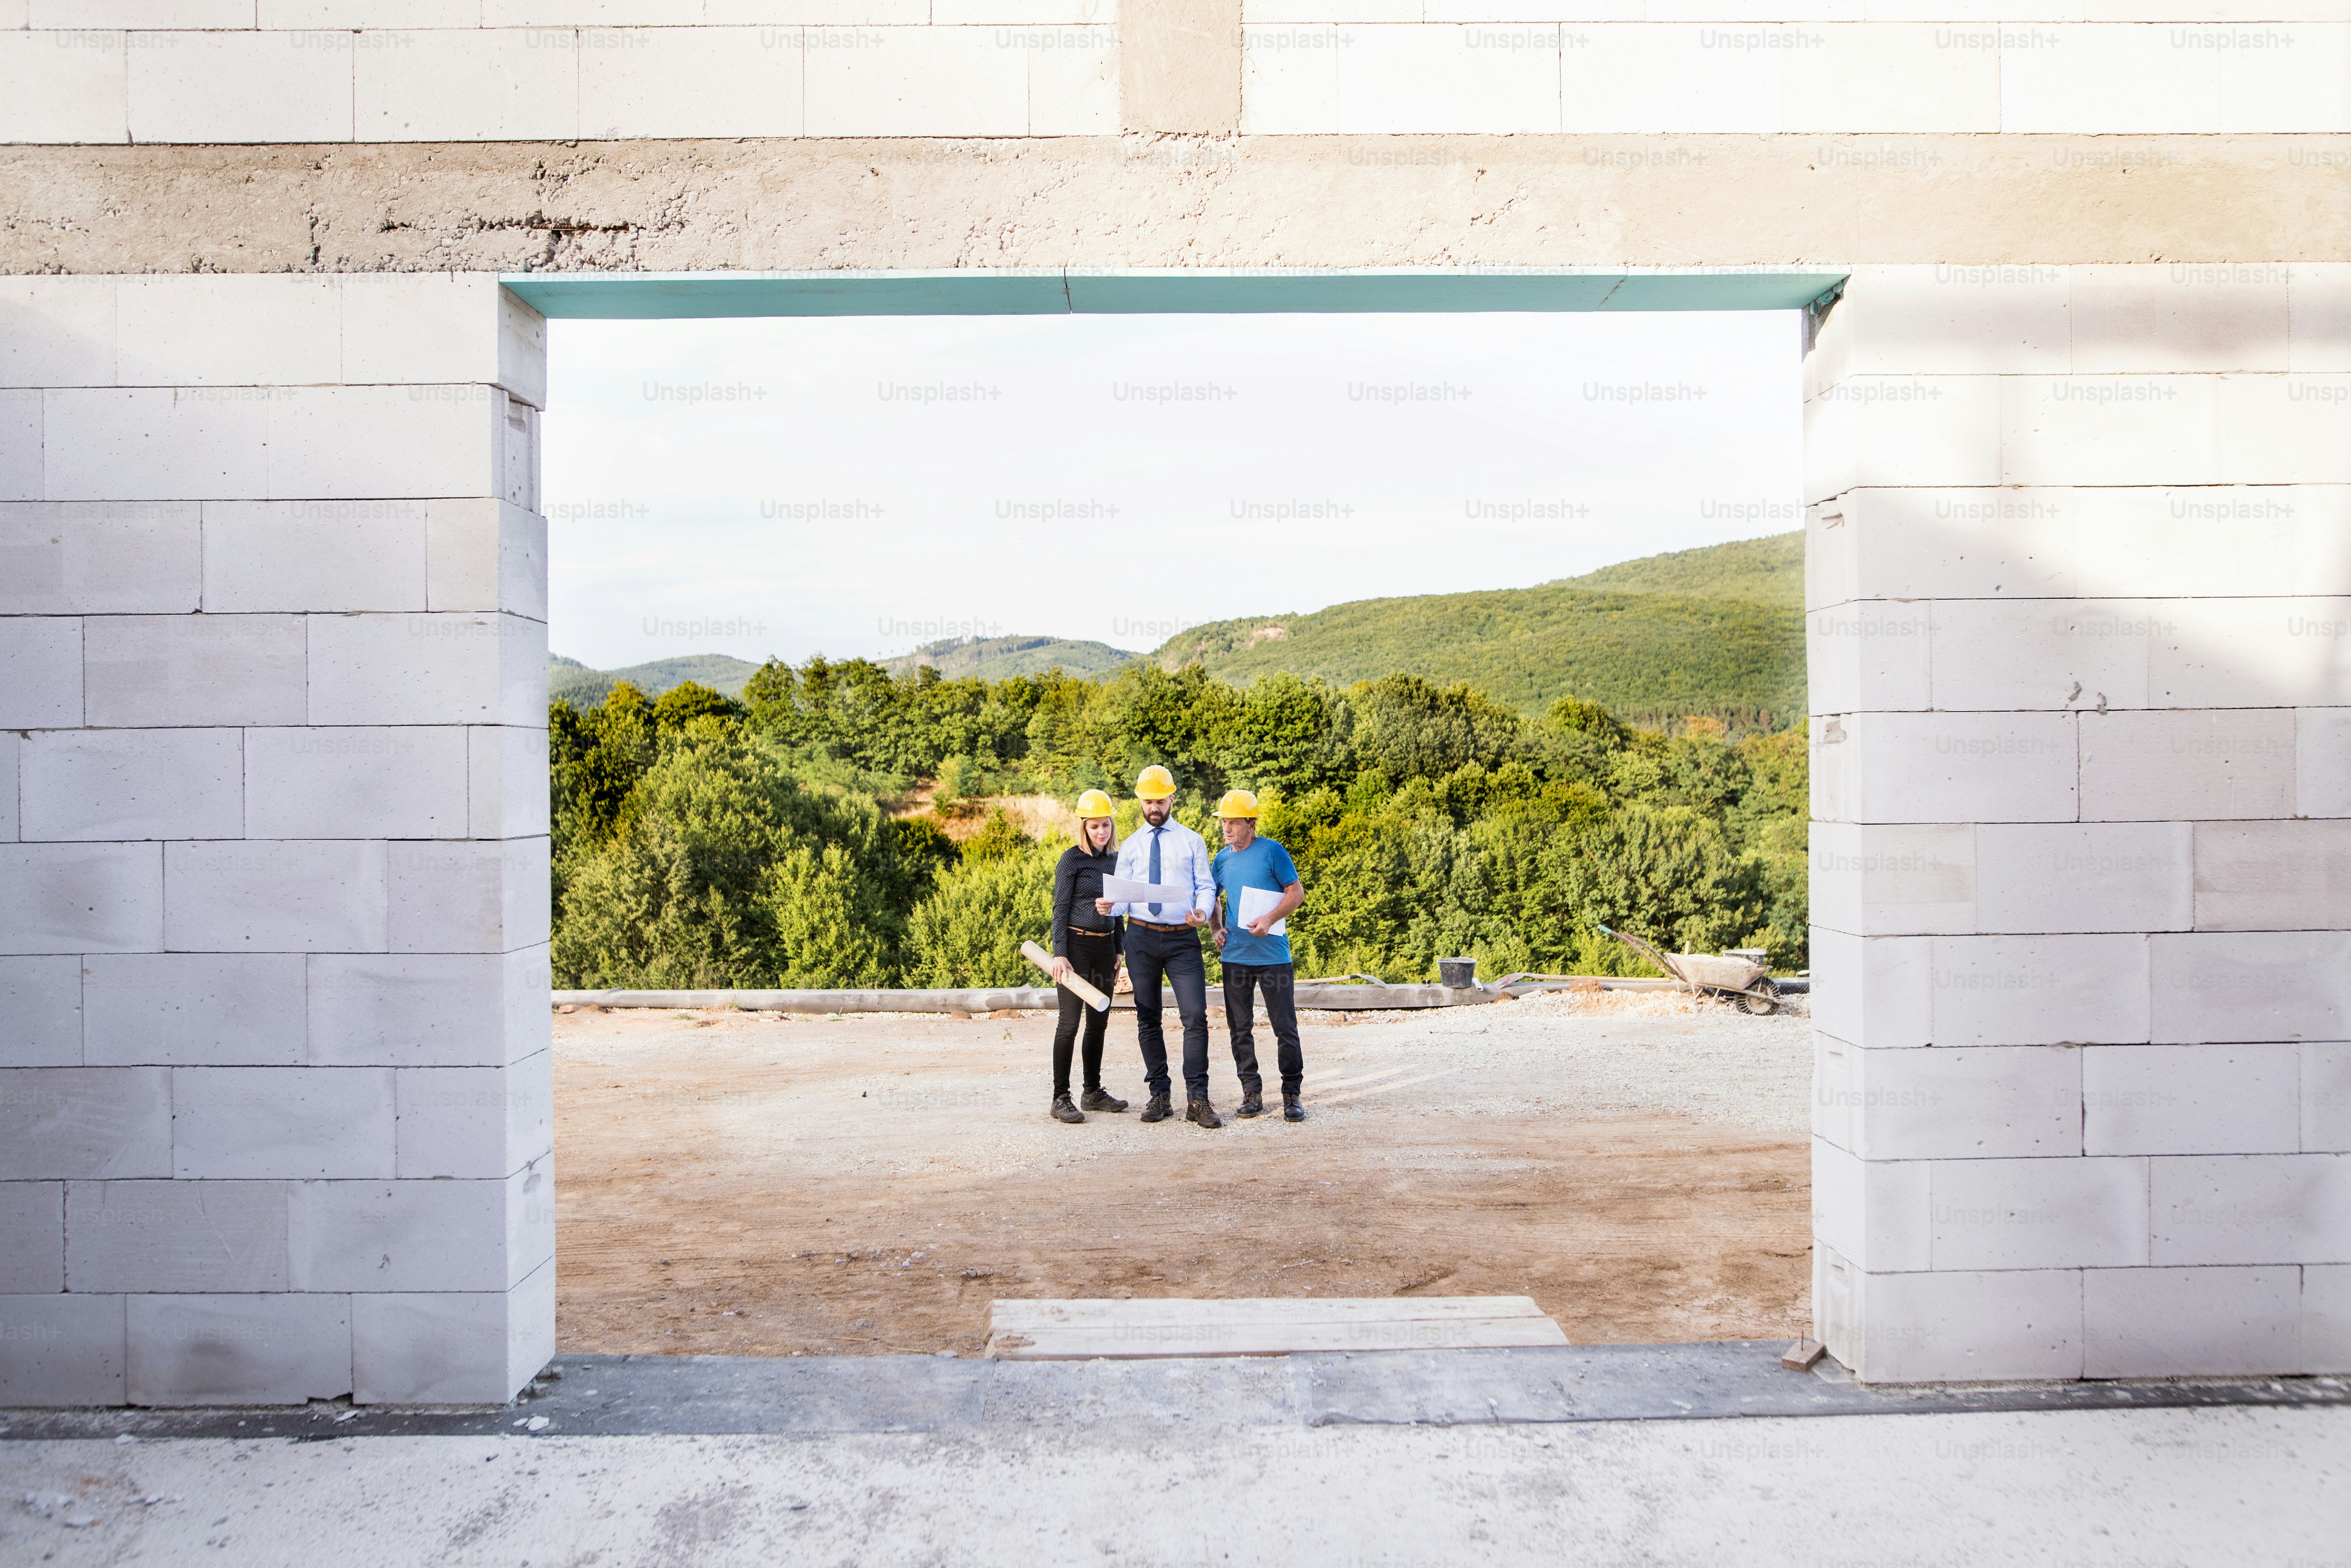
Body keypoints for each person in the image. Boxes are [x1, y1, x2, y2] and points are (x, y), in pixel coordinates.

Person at [1096, 764, 1220, 1127]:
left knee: (1195, 1016)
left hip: (1183, 938)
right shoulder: (1132, 846)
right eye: (1148, 801)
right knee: (1147, 1017)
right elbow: (1122, 899)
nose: (1154, 807)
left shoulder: (1191, 841)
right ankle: (1159, 1095)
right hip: (1142, 938)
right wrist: (1108, 906)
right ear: (1140, 801)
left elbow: (1206, 885)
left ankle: (1198, 1099)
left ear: (1172, 799)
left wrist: (1201, 911)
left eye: (1160, 801)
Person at [1209, 789, 1309, 1122]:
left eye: (1234, 822)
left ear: (1251, 823)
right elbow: (1212, 897)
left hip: (1273, 956)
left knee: (1285, 1028)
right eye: (1225, 822)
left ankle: (1291, 1094)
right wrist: (1215, 927)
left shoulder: (1273, 852)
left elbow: (1296, 893)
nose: (1227, 828)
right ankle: (1251, 1093)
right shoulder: (1221, 860)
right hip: (1235, 956)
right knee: (1240, 1030)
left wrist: (1269, 919)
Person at [1045, 789, 1130, 1124]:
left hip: (1105, 947)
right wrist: (1059, 954)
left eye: (1106, 825)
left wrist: (1119, 948)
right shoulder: (1071, 860)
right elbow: (1060, 908)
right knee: (1069, 1023)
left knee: (1099, 1023)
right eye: (1095, 826)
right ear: (1084, 826)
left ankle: (1092, 1092)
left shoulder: (1117, 860)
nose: (1101, 832)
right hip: (1076, 949)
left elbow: (1120, 908)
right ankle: (1060, 1097)